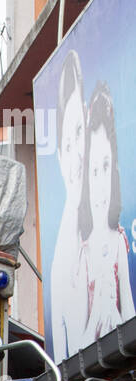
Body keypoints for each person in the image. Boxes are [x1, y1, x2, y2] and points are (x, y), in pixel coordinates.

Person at [78, 82, 136, 346]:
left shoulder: (117, 241)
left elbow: (129, 312)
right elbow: (78, 349)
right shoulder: (84, 253)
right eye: (94, 171)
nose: (101, 182)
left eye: (106, 167)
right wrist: (98, 314)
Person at [50, 50, 88, 362]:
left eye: (81, 133)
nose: (77, 154)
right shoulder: (61, 262)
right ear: (60, 153)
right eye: (69, 140)